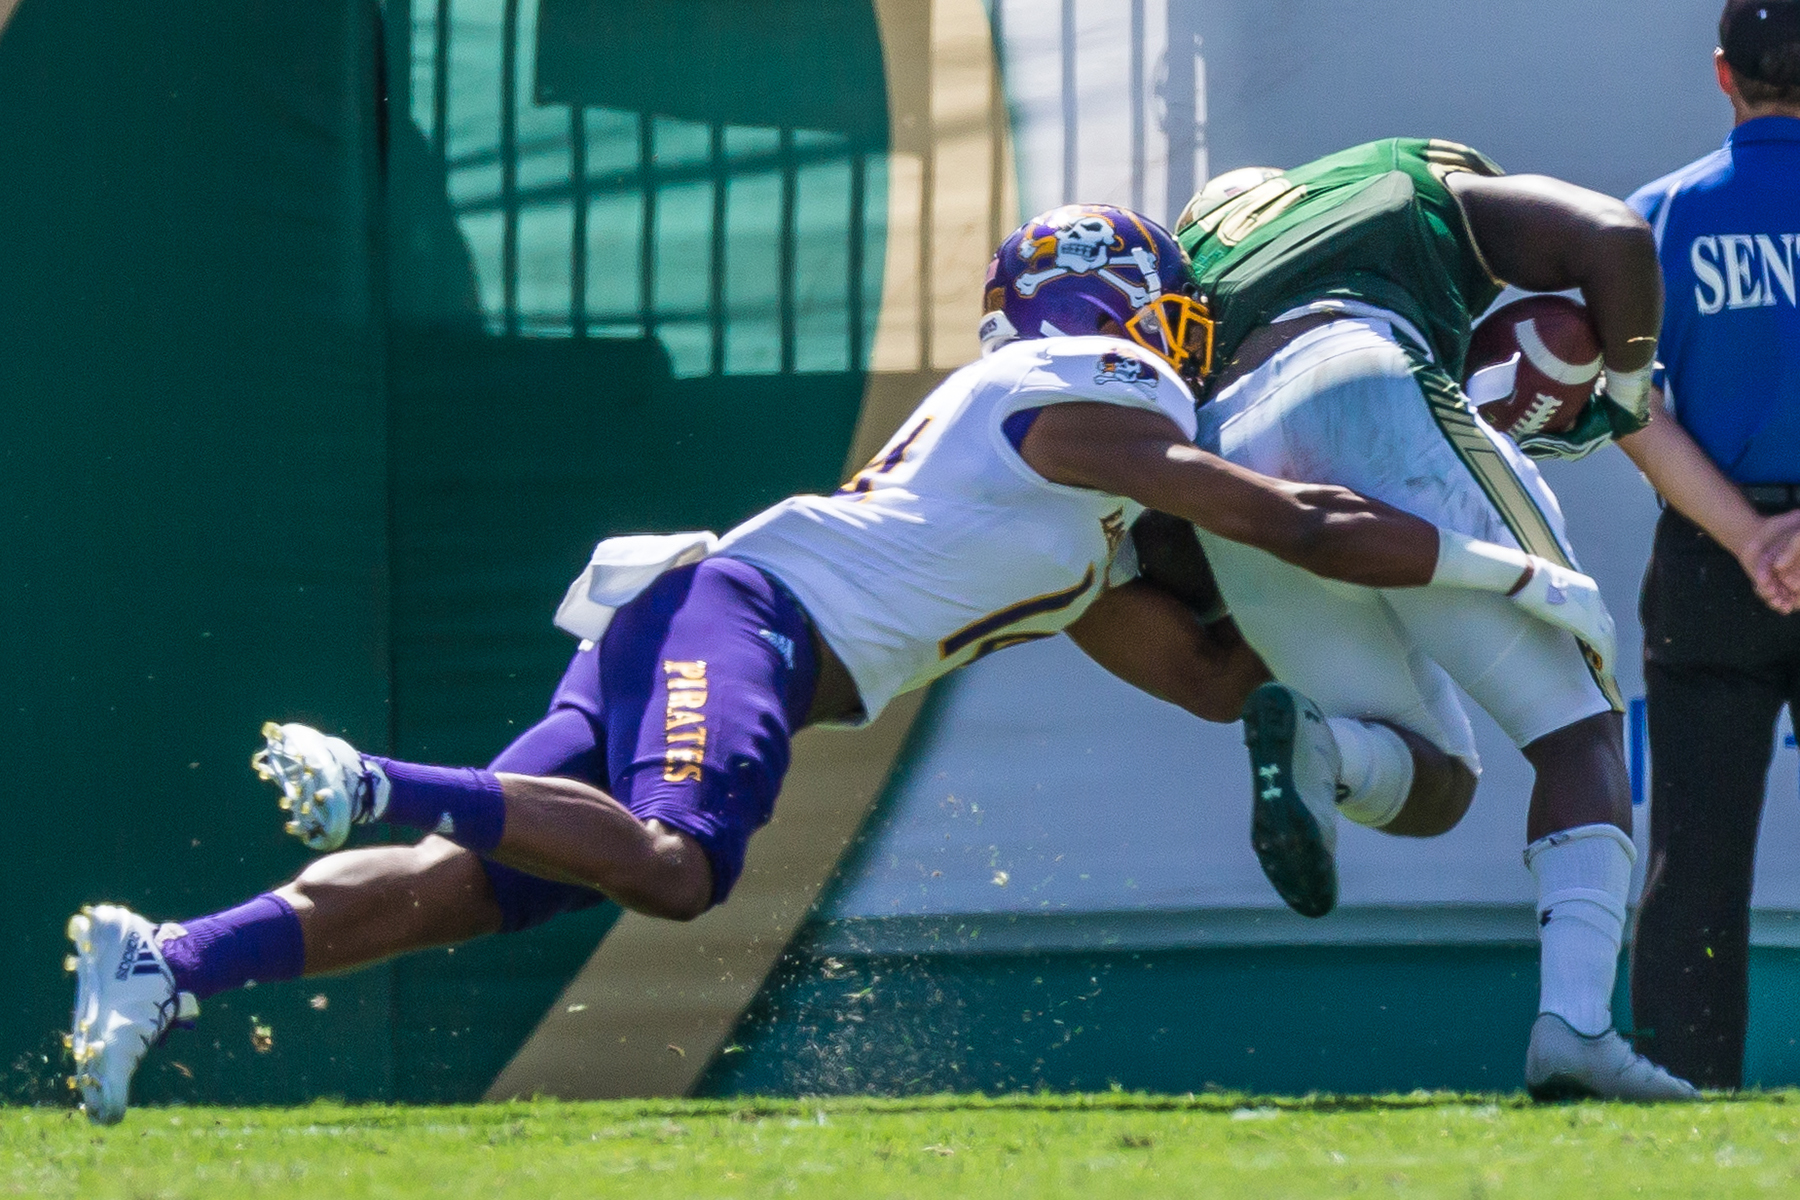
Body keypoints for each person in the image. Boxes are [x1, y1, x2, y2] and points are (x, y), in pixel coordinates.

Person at [60, 204, 1599, 1125]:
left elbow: (1203, 673)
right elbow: (1290, 515)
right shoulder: (1098, 385)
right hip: (751, 621)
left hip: (719, 621)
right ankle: (369, 773)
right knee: (675, 869)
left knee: (475, 884)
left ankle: (168, 962)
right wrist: (1503, 572)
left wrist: (1302, 719)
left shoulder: (1062, 514)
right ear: (1126, 311)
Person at [1138, 137, 1800, 1101]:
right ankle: (1574, 1027)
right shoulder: (1387, 178)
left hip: (1228, 455)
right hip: (1363, 370)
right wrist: (1615, 400)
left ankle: (1332, 752)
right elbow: (1611, 237)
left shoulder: (1186, 281)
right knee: (1577, 726)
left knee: (1432, 775)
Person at [1622, 0, 1800, 1092]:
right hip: (1744, 547)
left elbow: (1629, 408)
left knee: (1694, 857)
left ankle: (1685, 1097)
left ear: (1724, 76)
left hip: (1708, 563)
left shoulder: (1657, 217)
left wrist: (1750, 538)